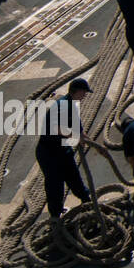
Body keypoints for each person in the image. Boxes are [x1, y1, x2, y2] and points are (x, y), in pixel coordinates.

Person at [35, 79, 96, 219]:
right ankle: (55, 218)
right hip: (48, 154)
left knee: (75, 178)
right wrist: (75, 135)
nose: (85, 95)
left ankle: (88, 203)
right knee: (55, 186)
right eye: (84, 92)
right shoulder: (61, 105)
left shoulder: (73, 106)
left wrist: (93, 145)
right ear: (78, 91)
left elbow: (79, 132)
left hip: (62, 151)